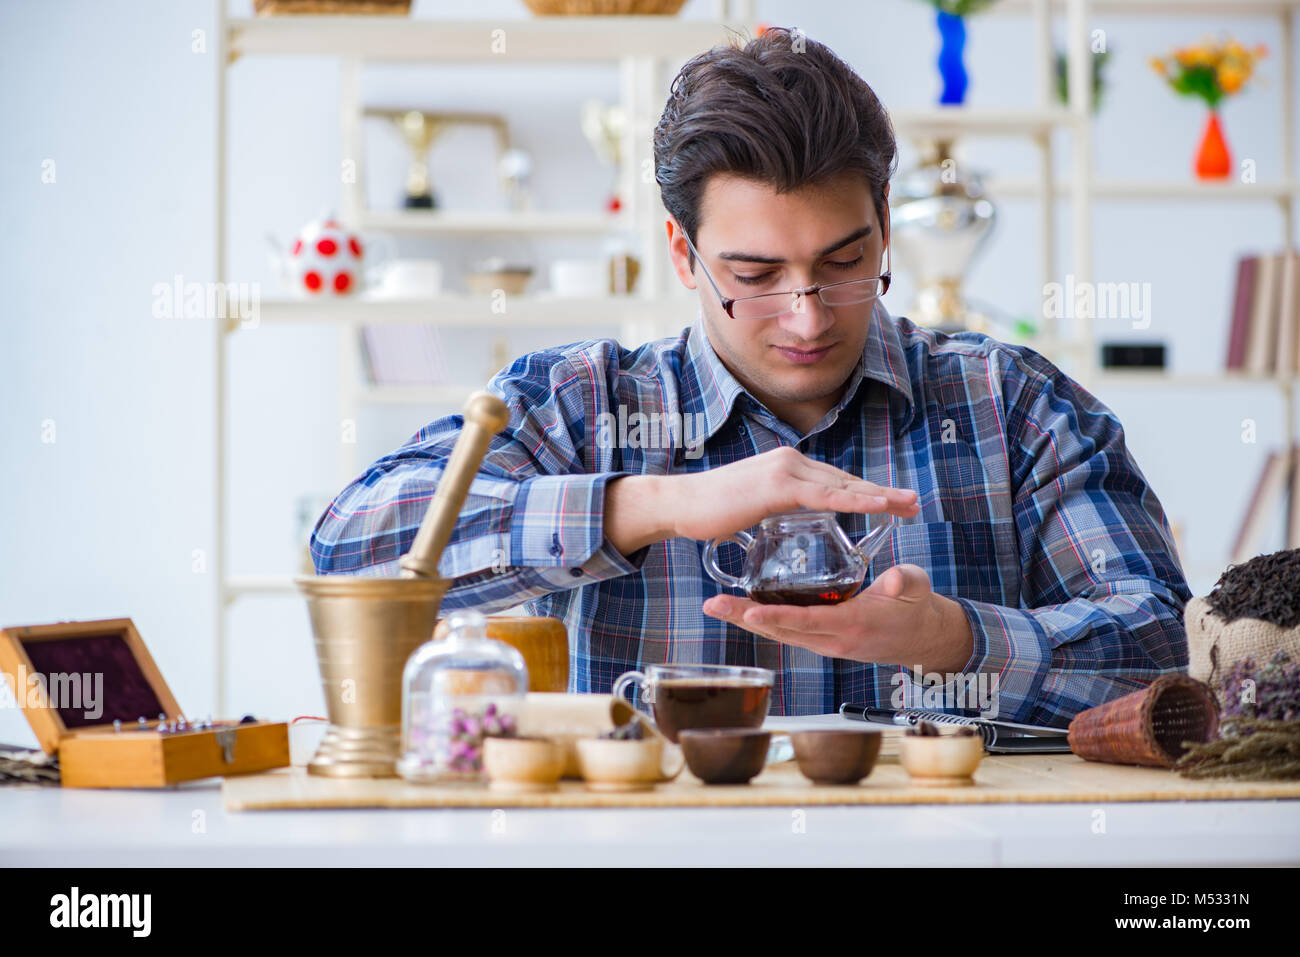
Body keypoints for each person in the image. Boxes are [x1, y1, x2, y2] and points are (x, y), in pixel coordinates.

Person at [311, 28, 1190, 724]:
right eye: (756, 277)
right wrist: (650, 505)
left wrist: (955, 638)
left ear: (885, 225)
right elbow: (350, 545)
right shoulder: (583, 403)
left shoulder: (1012, 404)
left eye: (844, 262)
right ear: (682, 254)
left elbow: (1164, 651)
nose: (807, 317)